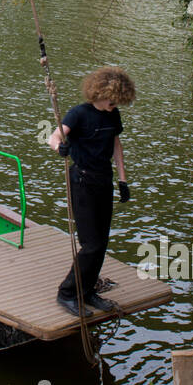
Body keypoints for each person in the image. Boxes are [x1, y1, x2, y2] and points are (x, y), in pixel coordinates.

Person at [47, 66, 134, 318]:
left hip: (103, 181)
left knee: (102, 243)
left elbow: (116, 145)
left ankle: (86, 291)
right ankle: (66, 293)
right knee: (91, 244)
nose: (115, 104)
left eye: (118, 101)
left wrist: (123, 180)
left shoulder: (113, 116)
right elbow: (54, 137)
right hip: (82, 181)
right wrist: (58, 148)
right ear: (101, 92)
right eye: (113, 99)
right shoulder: (79, 114)